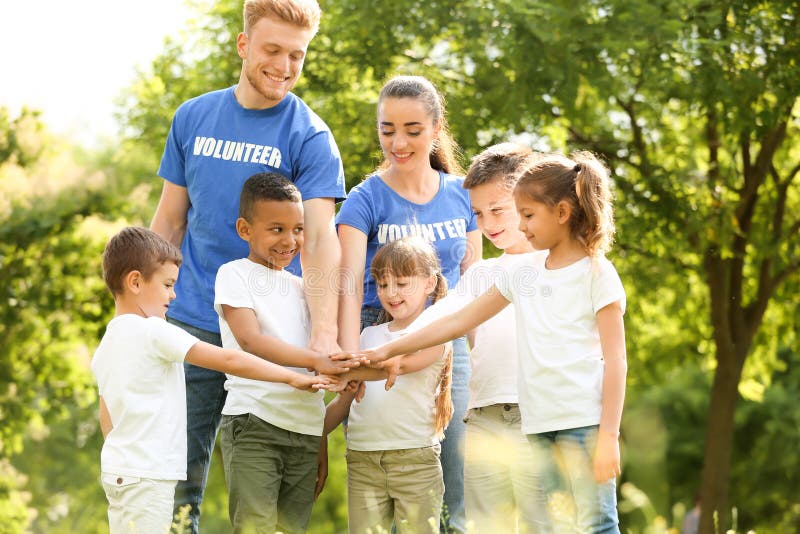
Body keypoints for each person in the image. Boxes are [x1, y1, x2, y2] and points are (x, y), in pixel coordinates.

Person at [345, 152, 628, 533]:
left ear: (555, 211)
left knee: (574, 523)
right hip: (513, 422)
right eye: (479, 215)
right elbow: (452, 319)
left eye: (516, 213)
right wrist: (390, 348)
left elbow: (614, 359)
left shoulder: (589, 272)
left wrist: (609, 434)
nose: (500, 224)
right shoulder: (504, 274)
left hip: (565, 419)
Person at [150, 0, 346, 529]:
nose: (284, 66)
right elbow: (169, 221)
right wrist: (140, 311)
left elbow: (323, 240)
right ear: (243, 46)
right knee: (176, 481)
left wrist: (324, 333)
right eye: (272, 50)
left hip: (270, 334)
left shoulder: (310, 135)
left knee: (268, 491)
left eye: (297, 55)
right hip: (191, 321)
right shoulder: (193, 116)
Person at [91, 226, 333, 534]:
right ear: (135, 281)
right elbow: (229, 359)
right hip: (149, 474)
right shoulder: (154, 331)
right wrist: (290, 377)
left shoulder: (108, 341)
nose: (173, 294)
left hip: (119, 472)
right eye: (167, 285)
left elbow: (106, 417)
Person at [336, 75, 481, 533]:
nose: (398, 142)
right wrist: (349, 363)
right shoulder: (364, 199)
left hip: (446, 349)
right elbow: (346, 284)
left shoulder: (462, 195)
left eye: (413, 130)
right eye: (387, 129)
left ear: (436, 129)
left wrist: (476, 359)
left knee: (450, 493)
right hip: (380, 344)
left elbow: (472, 282)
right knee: (387, 488)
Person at [411, 143, 547, 532]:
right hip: (483, 420)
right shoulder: (481, 274)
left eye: (498, 210)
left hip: (534, 416)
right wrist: (380, 351)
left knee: (541, 523)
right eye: (478, 213)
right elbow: (439, 318)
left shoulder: (552, 265)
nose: (487, 223)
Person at [214, 173, 358, 533]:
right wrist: (315, 361)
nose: (290, 240)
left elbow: (317, 372)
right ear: (245, 229)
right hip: (255, 424)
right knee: (256, 527)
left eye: (298, 229)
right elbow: (251, 341)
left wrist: (319, 438)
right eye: (276, 229)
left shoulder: (305, 288)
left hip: (305, 432)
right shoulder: (235, 274)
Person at [324, 237, 454, 534]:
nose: (390, 293)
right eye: (383, 285)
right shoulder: (368, 335)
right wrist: (312, 433)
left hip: (414, 460)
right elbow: (345, 400)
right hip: (362, 460)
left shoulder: (436, 334)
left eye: (402, 283)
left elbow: (395, 366)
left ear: (429, 283)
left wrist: (348, 371)